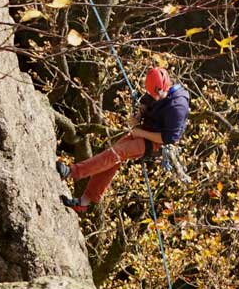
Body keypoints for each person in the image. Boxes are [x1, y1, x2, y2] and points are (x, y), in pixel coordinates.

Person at [58, 67, 189, 211]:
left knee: (117, 153)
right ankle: (84, 202)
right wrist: (138, 116)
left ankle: (72, 172)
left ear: (166, 86)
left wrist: (139, 133)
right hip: (143, 131)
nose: (155, 97)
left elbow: (168, 138)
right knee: (112, 157)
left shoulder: (178, 106)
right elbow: (146, 101)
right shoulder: (155, 89)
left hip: (157, 143)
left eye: (157, 95)